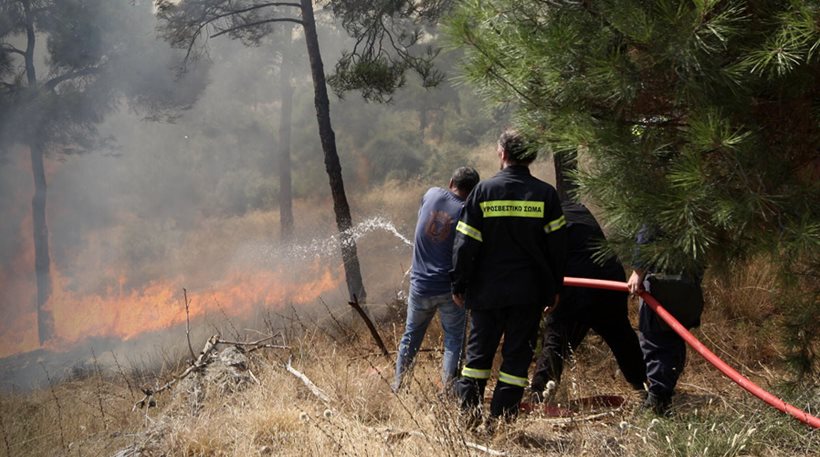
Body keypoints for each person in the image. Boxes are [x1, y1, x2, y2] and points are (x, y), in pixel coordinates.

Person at [450, 129, 567, 427]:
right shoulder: (546, 195)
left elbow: (465, 245)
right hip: (527, 295)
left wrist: (459, 284)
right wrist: (554, 288)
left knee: (476, 361)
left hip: (486, 293)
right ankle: (502, 422)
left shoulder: (483, 192)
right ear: (530, 156)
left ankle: (469, 421)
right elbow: (558, 248)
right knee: (515, 362)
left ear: (502, 153)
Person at [529, 202, 647, 402]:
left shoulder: (541, 220)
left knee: (557, 339)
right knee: (621, 335)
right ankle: (643, 386)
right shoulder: (577, 209)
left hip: (576, 285)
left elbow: (540, 260)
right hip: (608, 279)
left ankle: (538, 396)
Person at [393, 166, 481, 393]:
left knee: (411, 336)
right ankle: (448, 392)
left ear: (452, 181)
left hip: (420, 286)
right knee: (453, 340)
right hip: (449, 290)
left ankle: (399, 387)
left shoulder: (431, 194)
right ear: (474, 191)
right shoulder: (466, 211)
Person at [627, 227, 704, 416]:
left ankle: (657, 400)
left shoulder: (652, 198)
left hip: (660, 280)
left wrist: (638, 270)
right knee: (674, 338)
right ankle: (662, 397)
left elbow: (648, 227)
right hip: (688, 278)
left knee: (654, 338)